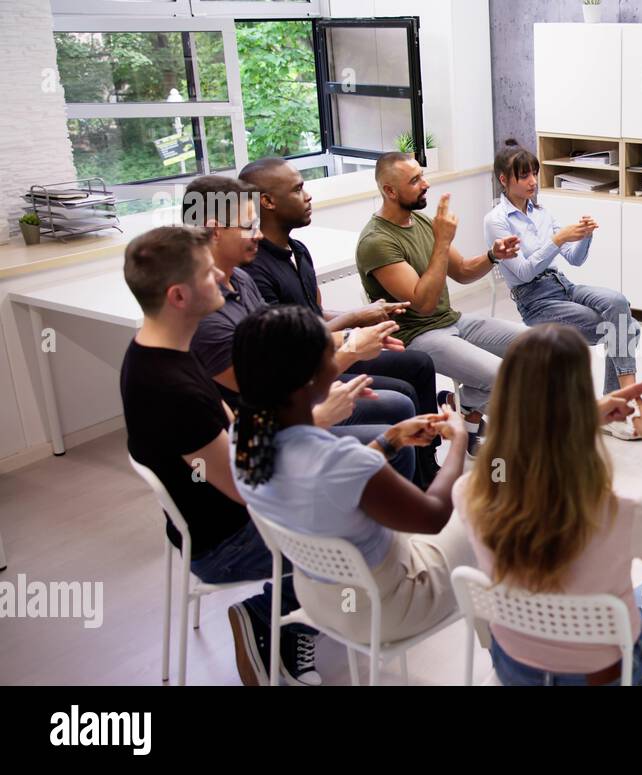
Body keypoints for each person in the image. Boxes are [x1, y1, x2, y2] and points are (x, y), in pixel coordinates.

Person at [119, 226, 320, 686]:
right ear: (178, 295)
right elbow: (247, 486)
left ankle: (308, 609)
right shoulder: (169, 388)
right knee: (344, 526)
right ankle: (264, 617)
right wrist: (315, 419)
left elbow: (234, 422)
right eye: (209, 274)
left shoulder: (165, 346)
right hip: (224, 543)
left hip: (224, 512)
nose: (223, 279)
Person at [453, 324, 642, 685]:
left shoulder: (468, 493)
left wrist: (580, 418)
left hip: (515, 668)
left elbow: (514, 461)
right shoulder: (619, 514)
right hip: (605, 676)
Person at [229, 304, 477, 647]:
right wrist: (458, 441)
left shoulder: (243, 439)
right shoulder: (336, 460)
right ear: (311, 377)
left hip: (318, 597)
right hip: (386, 609)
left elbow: (336, 485)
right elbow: (433, 515)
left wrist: (390, 440)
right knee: (481, 497)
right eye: (329, 353)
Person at [181, 175, 419, 480]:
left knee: (398, 403)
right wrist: (351, 350)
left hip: (291, 401)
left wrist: (347, 337)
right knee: (395, 441)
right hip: (269, 435)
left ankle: (402, 502)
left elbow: (284, 346)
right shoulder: (206, 318)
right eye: (248, 227)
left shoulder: (240, 279)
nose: (258, 235)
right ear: (214, 231)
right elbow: (272, 393)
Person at [238, 157, 442, 484]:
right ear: (268, 201)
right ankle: (414, 478)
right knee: (402, 394)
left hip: (323, 350)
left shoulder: (298, 250)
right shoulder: (256, 268)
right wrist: (353, 323)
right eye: (298, 189)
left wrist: (364, 319)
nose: (308, 197)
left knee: (418, 364)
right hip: (307, 368)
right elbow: (286, 340)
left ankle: (426, 461)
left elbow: (312, 314)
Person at [355, 152, 525, 456]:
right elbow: (422, 303)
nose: (426, 184)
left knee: (536, 345)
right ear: (390, 191)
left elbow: (462, 272)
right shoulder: (376, 242)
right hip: (417, 337)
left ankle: (463, 409)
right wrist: (443, 242)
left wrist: (493, 255)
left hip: (453, 321)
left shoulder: (419, 221)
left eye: (422, 175)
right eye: (415, 180)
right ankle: (479, 419)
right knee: (503, 375)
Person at [482, 139, 642, 440]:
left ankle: (616, 404)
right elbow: (525, 270)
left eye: (534, 173)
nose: (533, 181)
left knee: (619, 304)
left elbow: (574, 259)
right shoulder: (496, 222)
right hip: (535, 300)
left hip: (563, 285)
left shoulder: (541, 212)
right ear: (504, 180)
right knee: (627, 329)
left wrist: (584, 236)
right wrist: (557, 240)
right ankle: (619, 404)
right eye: (524, 175)